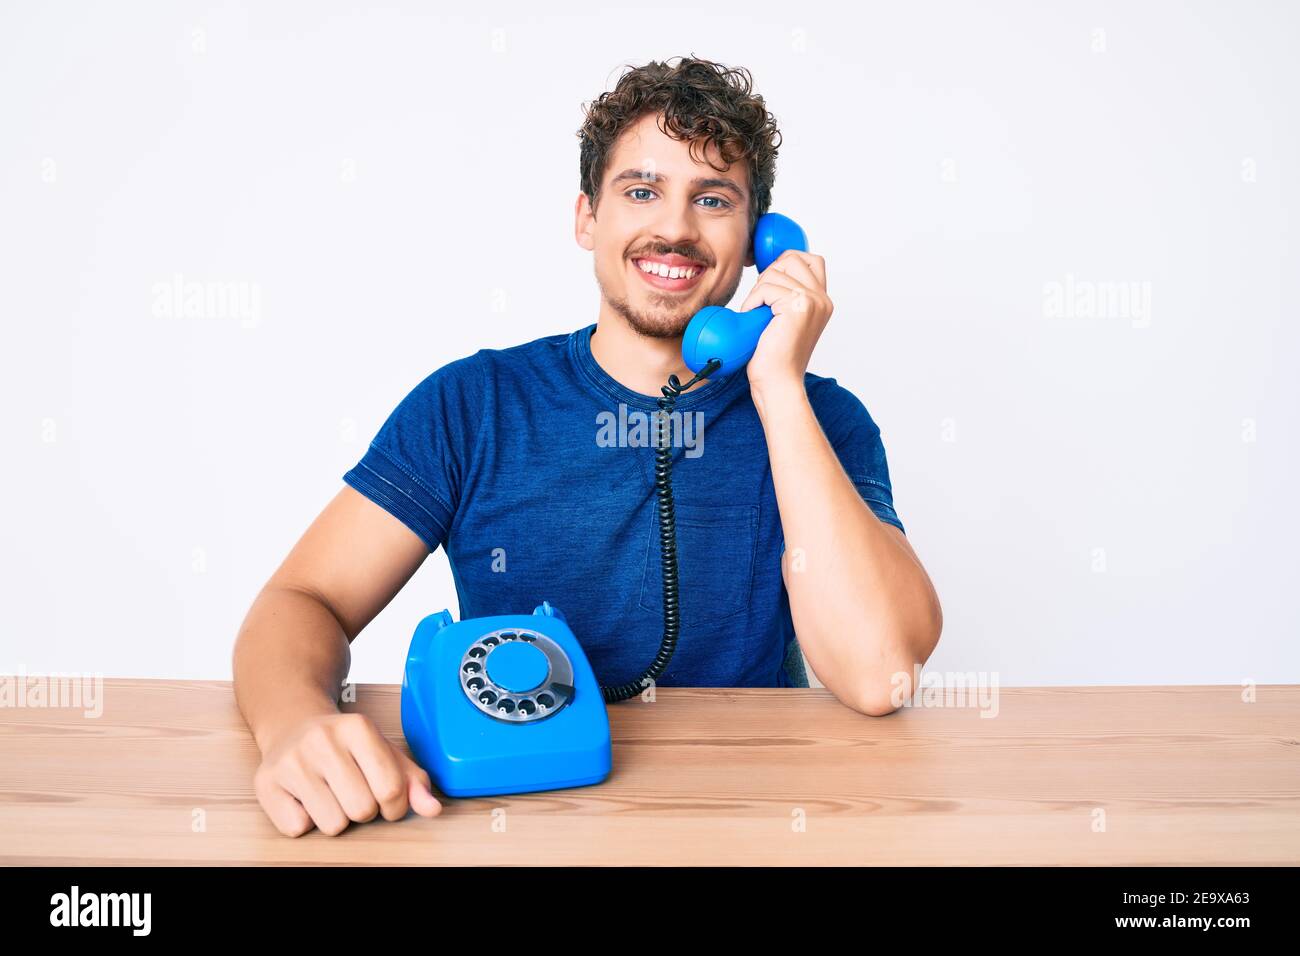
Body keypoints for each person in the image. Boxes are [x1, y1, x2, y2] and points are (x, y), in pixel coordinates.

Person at [233, 56, 942, 838]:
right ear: (586, 219)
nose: (673, 227)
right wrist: (295, 724)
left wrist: (777, 385)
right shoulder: (475, 405)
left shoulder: (822, 420)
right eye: (642, 191)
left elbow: (882, 673)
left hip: (751, 824)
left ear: (758, 247)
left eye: (712, 200)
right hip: (514, 816)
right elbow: (301, 601)